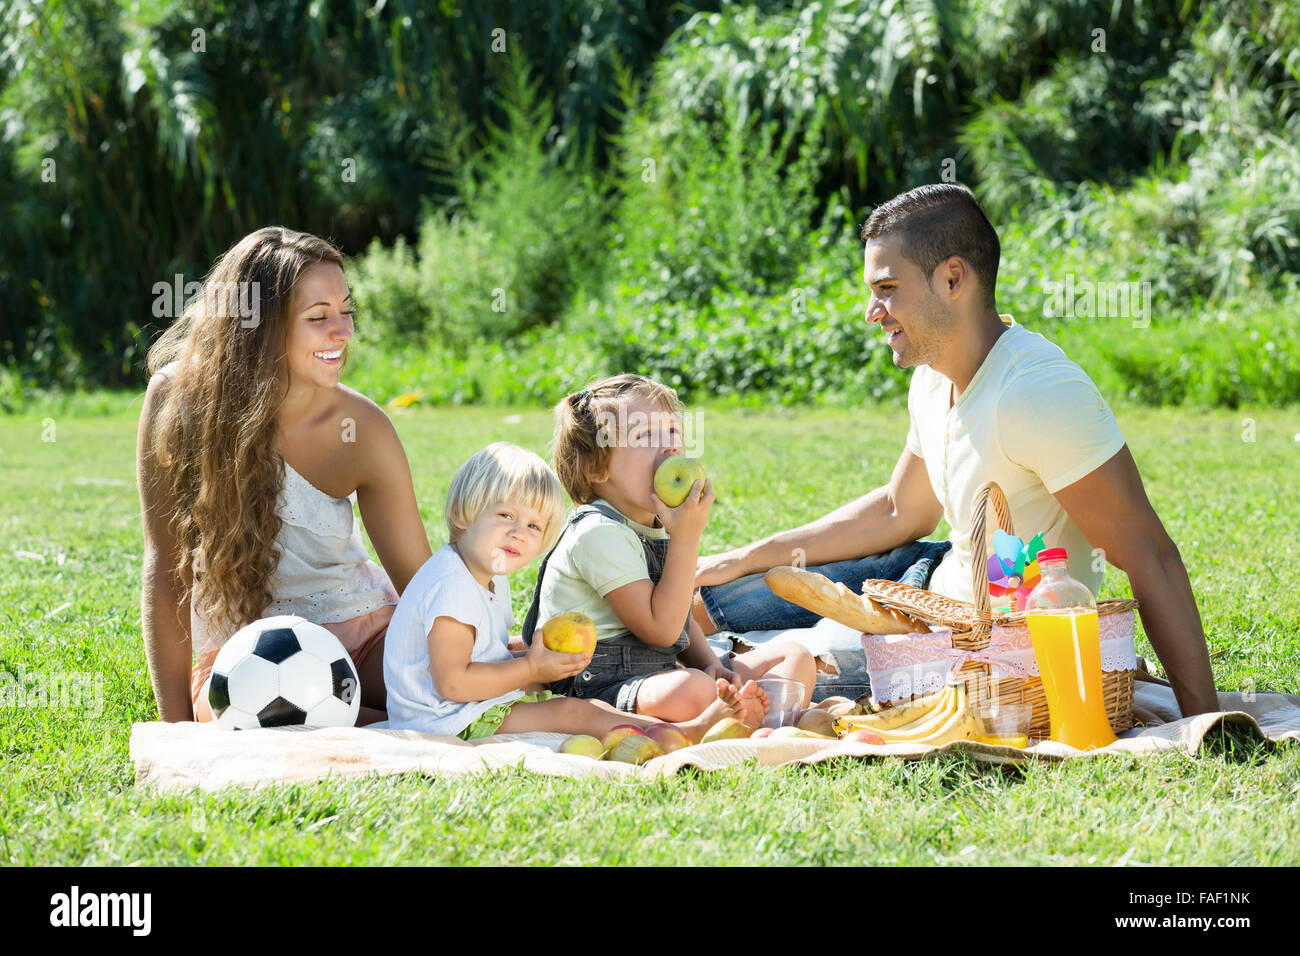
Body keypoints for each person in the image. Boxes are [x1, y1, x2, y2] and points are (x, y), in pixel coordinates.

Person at [694, 183, 1219, 718]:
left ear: (952, 278)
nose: (873, 312)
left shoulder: (1037, 393)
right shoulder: (930, 375)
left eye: (888, 288)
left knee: (752, 668)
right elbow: (901, 511)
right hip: (923, 581)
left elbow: (1150, 555)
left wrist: (1206, 719)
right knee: (696, 605)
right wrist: (741, 557)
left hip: (984, 646)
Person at [137, 227, 432, 726]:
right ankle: (365, 720)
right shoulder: (177, 401)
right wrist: (174, 729)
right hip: (242, 657)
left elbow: (423, 586)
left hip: (363, 638)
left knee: (434, 684)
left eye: (346, 312)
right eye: (318, 318)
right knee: (249, 717)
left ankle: (366, 716)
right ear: (257, 326)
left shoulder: (361, 427)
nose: (342, 332)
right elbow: (167, 569)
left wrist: (477, 651)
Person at [383, 442, 745, 741]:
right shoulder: (452, 586)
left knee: (595, 709)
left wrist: (536, 664)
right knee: (574, 712)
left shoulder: (486, 575)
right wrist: (531, 668)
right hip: (444, 721)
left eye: (534, 525)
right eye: (506, 516)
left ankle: (674, 731)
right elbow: (453, 682)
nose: (518, 533)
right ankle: (686, 734)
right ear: (464, 512)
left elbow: (479, 662)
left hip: (464, 707)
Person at [531, 374, 816, 724]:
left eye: (672, 432)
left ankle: (745, 714)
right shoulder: (597, 533)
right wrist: (686, 538)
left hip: (658, 672)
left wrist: (711, 664)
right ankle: (744, 716)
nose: (668, 447)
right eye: (645, 435)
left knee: (794, 654)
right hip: (599, 685)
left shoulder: (653, 523)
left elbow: (679, 616)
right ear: (596, 468)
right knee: (692, 691)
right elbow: (661, 631)